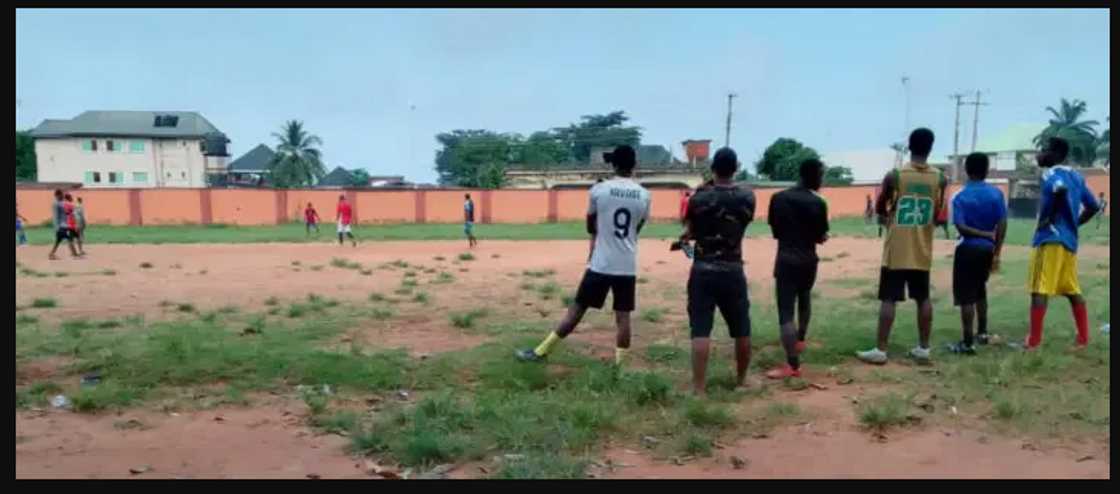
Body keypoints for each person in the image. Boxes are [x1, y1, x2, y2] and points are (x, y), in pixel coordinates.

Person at [516, 145, 651, 369]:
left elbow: (590, 225)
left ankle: (541, 352)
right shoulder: (645, 195)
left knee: (577, 310)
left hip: (600, 263)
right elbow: (637, 228)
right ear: (633, 166)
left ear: (614, 165)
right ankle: (620, 367)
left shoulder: (599, 190)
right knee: (623, 318)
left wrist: (600, 231)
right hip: (626, 265)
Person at [857, 128, 947, 365]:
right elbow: (938, 213)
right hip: (922, 249)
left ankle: (881, 349)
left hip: (897, 248)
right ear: (930, 148)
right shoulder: (940, 178)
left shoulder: (896, 175)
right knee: (923, 298)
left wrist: (887, 219)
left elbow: (879, 206)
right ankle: (924, 348)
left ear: (909, 146)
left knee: (889, 299)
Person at [680, 148, 756, 395]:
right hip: (733, 268)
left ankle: (699, 388)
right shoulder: (747, 197)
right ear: (736, 168)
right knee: (741, 328)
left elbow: (689, 230)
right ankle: (742, 381)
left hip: (703, 269)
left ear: (713, 168)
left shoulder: (698, 198)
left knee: (701, 329)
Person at [1025, 137, 1100, 349]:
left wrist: (1049, 217)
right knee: (1072, 289)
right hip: (1069, 241)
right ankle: (1083, 338)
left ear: (1056, 154)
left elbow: (1059, 189)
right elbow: (1093, 206)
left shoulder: (1051, 174)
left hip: (1049, 239)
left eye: (1044, 150)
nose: (1040, 154)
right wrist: (1074, 223)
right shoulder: (1077, 176)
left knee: (1039, 289)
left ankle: (1033, 342)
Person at [765, 159, 829, 379]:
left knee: (785, 312)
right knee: (805, 297)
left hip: (786, 259)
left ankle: (792, 365)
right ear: (812, 176)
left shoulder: (778, 199)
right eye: (821, 175)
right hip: (809, 260)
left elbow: (776, 231)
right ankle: (800, 339)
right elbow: (821, 237)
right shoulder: (818, 203)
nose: (822, 180)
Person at [946, 153, 1007, 354]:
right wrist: (996, 251)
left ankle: (967, 342)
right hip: (987, 250)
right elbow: (1002, 224)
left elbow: (961, 227)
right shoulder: (996, 194)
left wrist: (983, 234)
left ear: (966, 170)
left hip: (967, 249)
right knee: (980, 290)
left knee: (966, 297)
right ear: (986, 170)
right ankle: (982, 332)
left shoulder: (960, 196)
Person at [47, 189, 80, 260]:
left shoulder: (62, 203)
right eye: (61, 194)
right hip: (62, 226)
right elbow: (55, 216)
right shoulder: (56, 204)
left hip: (65, 225)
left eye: (63, 194)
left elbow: (68, 211)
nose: (63, 196)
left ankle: (51, 254)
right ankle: (75, 255)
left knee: (58, 241)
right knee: (69, 239)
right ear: (57, 195)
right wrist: (56, 227)